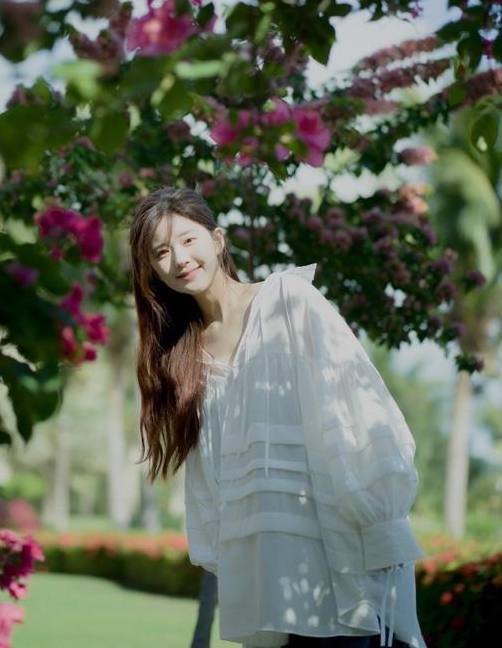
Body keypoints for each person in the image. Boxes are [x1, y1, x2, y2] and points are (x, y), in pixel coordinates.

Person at [129, 186, 427, 648]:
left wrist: (382, 525)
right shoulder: (183, 357)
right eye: (161, 252)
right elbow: (210, 479)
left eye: (188, 240)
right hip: (267, 584)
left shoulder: (287, 301)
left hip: (334, 559)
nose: (179, 259)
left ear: (218, 239)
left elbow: (359, 409)